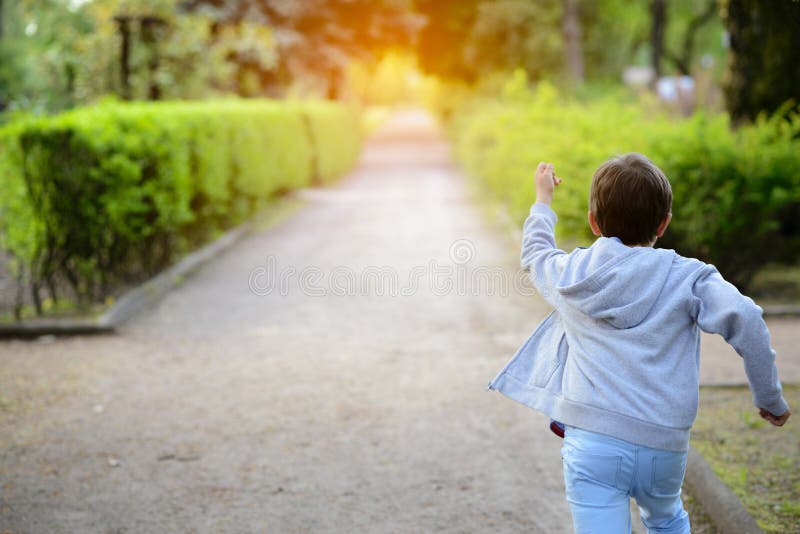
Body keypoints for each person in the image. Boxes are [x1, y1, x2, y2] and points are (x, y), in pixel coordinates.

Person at [488, 154, 790, 534]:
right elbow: (746, 318)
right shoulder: (689, 277)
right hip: (663, 445)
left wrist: (542, 202)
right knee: (666, 521)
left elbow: (535, 254)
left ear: (593, 223)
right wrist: (769, 397)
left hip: (593, 444)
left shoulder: (573, 277)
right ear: (663, 224)